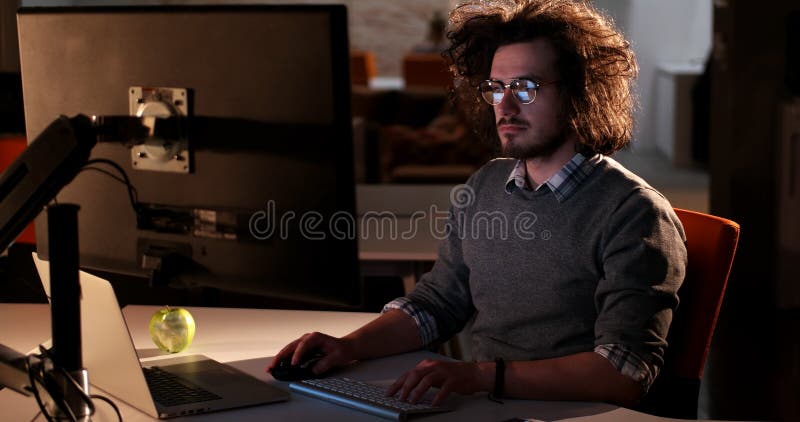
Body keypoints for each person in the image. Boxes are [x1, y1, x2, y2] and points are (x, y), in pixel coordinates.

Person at [269, 0, 687, 407]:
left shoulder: (635, 213)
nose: (504, 106)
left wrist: (479, 376)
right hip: (484, 402)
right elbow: (438, 304)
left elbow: (623, 374)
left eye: (525, 87)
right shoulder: (487, 184)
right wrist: (348, 347)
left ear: (581, 93)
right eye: (496, 87)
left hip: (563, 412)